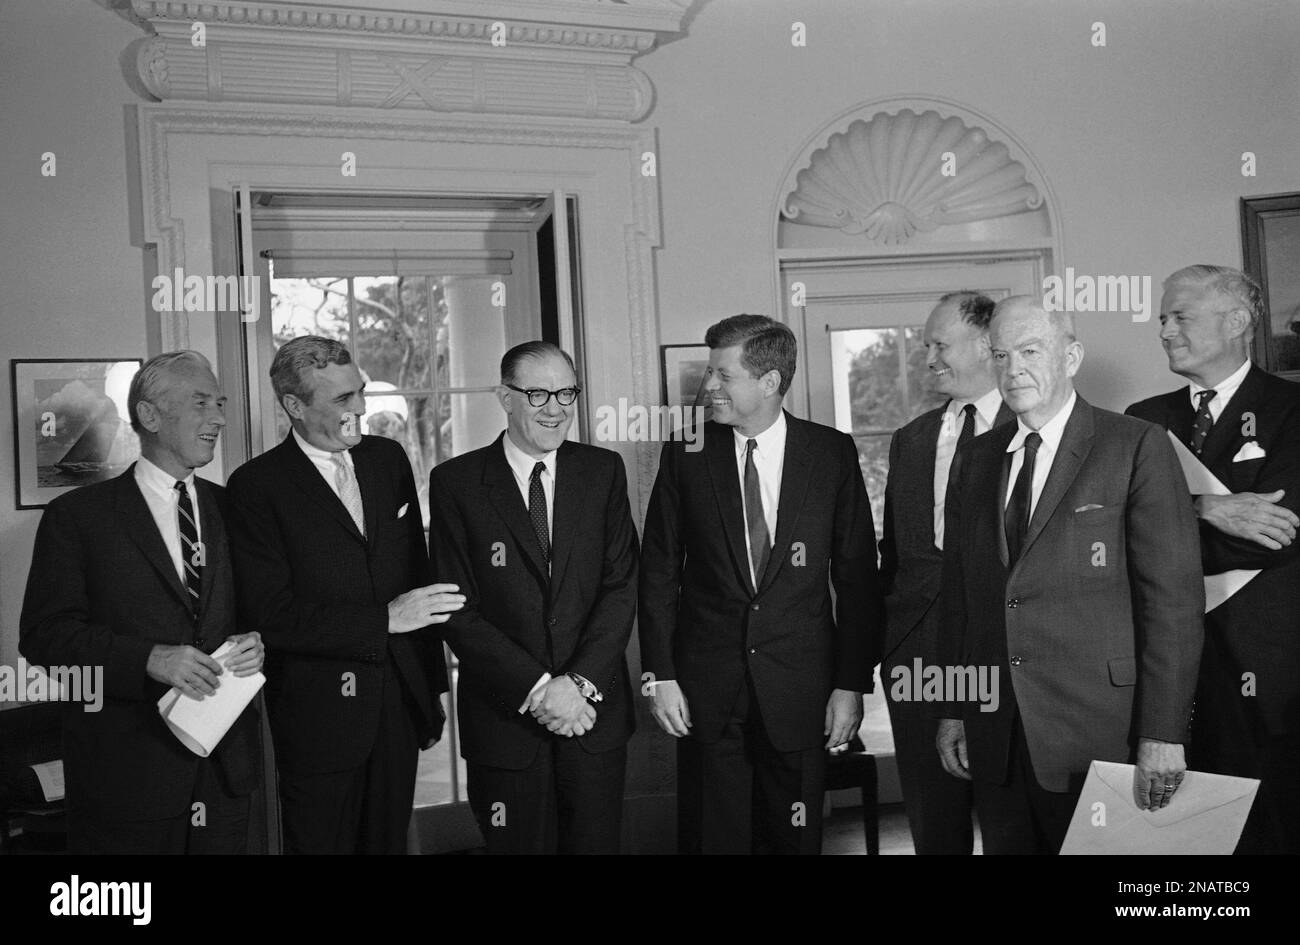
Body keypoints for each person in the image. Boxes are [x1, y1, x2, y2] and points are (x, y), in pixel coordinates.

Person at [936, 296, 1204, 854]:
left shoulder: (1134, 445)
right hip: (998, 734)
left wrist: (1163, 735)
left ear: (1072, 356)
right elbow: (960, 599)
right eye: (1001, 354)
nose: (1013, 370)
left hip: (1102, 733)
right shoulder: (976, 459)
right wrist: (955, 709)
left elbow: (1172, 604)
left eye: (1030, 351)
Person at [639, 314, 882, 854]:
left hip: (802, 690)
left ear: (770, 382)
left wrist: (851, 684)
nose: (710, 387)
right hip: (703, 690)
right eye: (710, 373)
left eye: (724, 375)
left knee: (793, 838)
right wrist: (661, 676)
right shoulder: (685, 454)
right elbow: (656, 574)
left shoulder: (831, 454)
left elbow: (858, 578)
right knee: (713, 839)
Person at [20, 351, 263, 853]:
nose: (218, 417)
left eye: (219, 403)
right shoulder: (78, 517)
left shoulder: (233, 508)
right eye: (201, 403)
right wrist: (148, 660)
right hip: (125, 776)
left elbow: (258, 611)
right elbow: (45, 636)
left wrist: (256, 642)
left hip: (223, 772)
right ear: (150, 415)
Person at [225, 336, 460, 854]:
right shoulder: (255, 486)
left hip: (400, 703)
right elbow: (272, 614)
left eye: (360, 392)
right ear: (294, 406)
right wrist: (384, 622)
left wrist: (431, 694)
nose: (360, 408)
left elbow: (417, 580)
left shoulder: (388, 459)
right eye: (341, 399)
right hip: (318, 718)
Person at [428, 342, 638, 854]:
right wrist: (543, 689)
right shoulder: (456, 483)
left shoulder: (602, 471)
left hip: (592, 718)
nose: (556, 407)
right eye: (538, 392)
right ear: (505, 397)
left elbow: (621, 586)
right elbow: (456, 608)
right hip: (505, 722)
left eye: (566, 392)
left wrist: (578, 685)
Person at [1126, 265, 1300, 854]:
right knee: (1178, 848)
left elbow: (1276, 536)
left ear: (1237, 321)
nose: (1165, 331)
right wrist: (1206, 506)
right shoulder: (1143, 419)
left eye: (1181, 317)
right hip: (1164, 676)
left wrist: (1166, 522)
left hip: (1271, 675)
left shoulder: (1292, 411)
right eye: (1162, 319)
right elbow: (1114, 530)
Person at [878, 292, 1013, 854]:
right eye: (925, 345)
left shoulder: (1035, 426)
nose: (927, 358)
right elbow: (894, 556)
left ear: (986, 343)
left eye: (940, 344)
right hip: (919, 654)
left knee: (1013, 811)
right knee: (935, 819)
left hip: (1007, 643)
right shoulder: (910, 440)